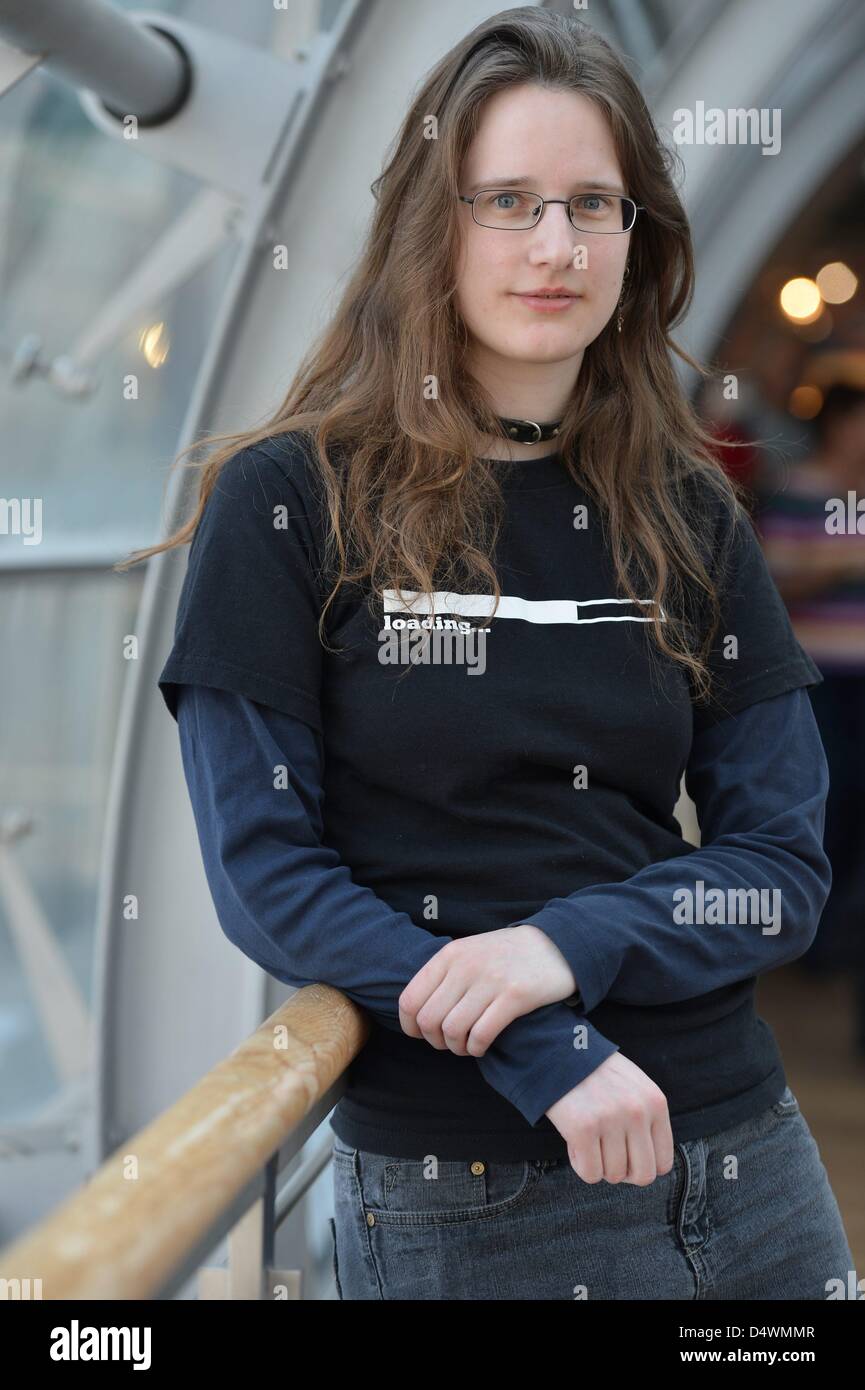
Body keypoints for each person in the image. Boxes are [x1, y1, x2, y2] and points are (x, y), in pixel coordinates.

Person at [120, 9, 855, 1299]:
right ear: (431, 223)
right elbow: (270, 878)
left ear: (640, 239)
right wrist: (542, 1045)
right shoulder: (288, 498)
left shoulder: (683, 509)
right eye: (506, 201)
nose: (556, 247)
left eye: (593, 205)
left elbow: (780, 868)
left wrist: (562, 944)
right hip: (475, 1196)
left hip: (749, 1164)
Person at [758, 383, 865, 1048]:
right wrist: (836, 562)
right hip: (818, 677)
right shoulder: (794, 489)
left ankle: (840, 941)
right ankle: (811, 940)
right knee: (830, 802)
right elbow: (766, 579)